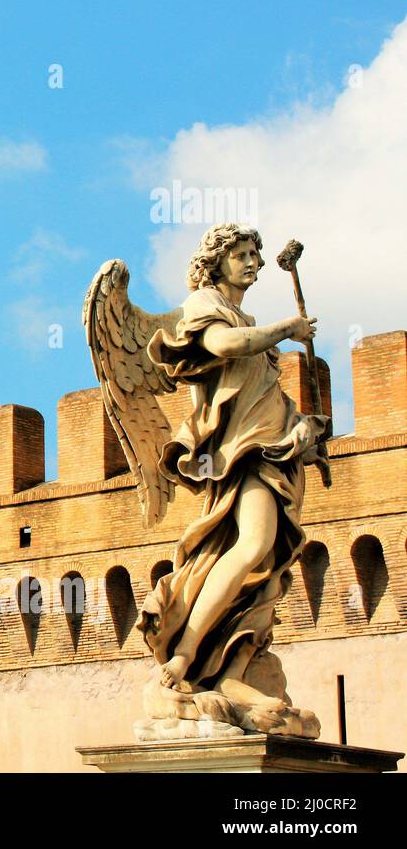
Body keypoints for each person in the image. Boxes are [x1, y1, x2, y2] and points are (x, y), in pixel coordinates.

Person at [138, 223, 327, 713]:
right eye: (240, 254)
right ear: (215, 260)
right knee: (254, 545)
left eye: (255, 257)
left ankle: (231, 672)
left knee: (267, 567)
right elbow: (223, 346)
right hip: (241, 452)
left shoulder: (246, 319)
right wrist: (288, 329)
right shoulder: (205, 306)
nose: (252, 264)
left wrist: (304, 429)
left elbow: (262, 397)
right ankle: (182, 657)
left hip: (272, 449)